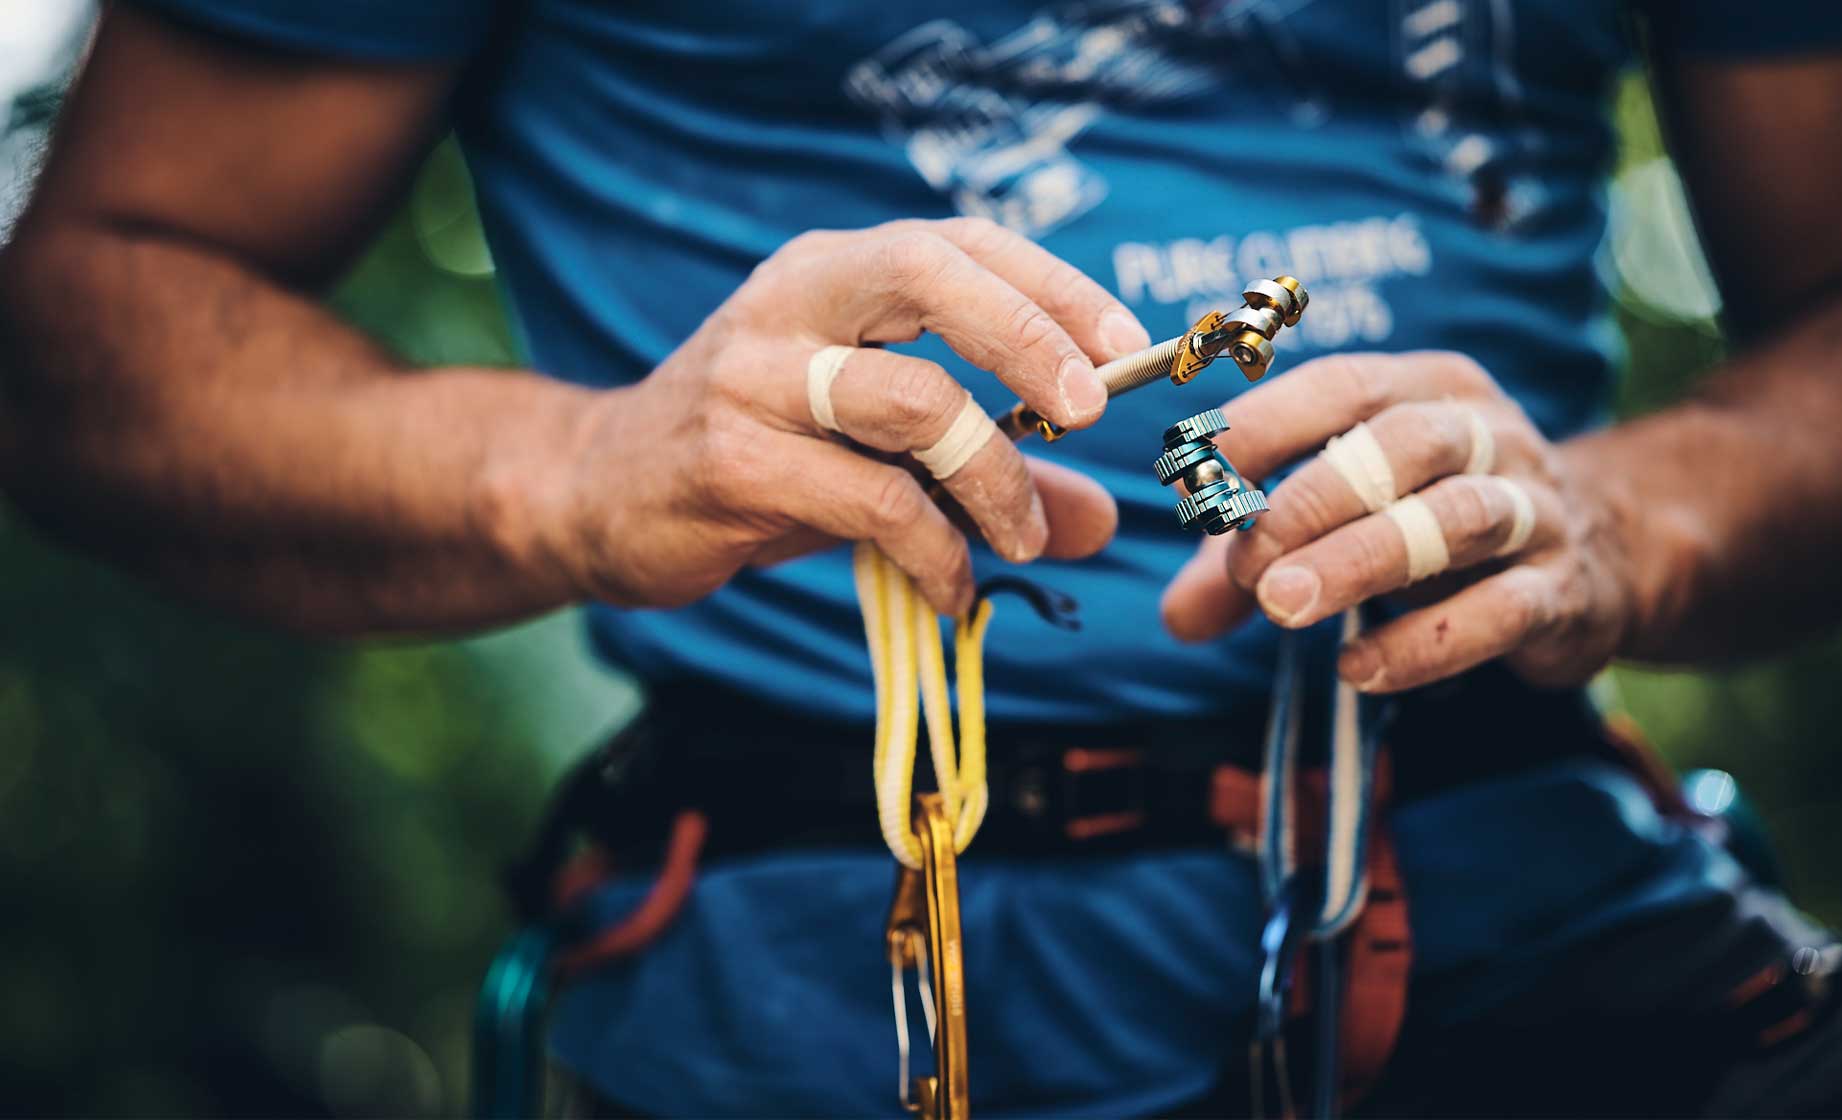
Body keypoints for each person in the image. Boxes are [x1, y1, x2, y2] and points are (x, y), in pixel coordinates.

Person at [4, 0, 1842, 1114]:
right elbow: (81, 328)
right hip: (803, 962)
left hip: (1539, 885)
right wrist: (578, 468)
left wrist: (1630, 515)